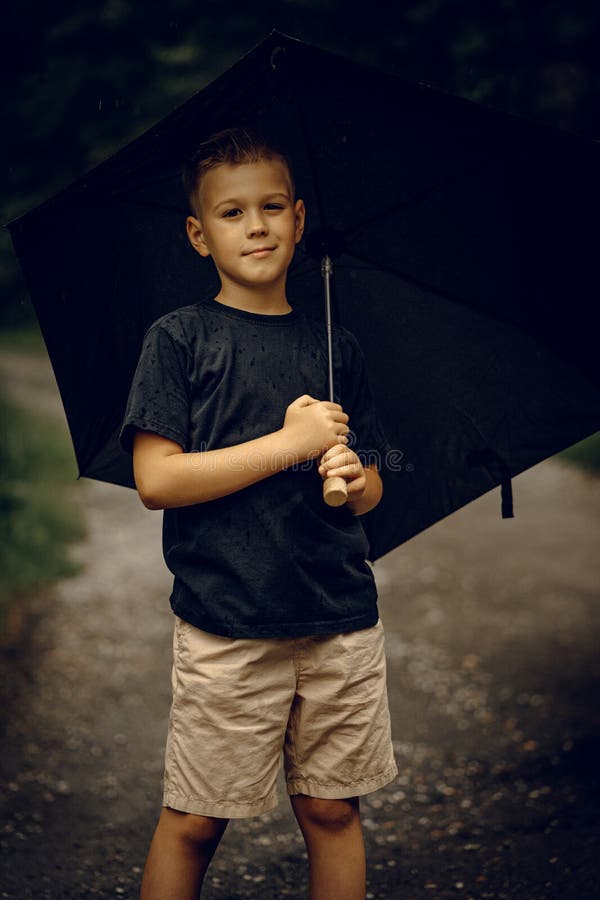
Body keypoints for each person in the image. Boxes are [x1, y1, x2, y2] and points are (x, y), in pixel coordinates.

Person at [119, 126, 397, 900]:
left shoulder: (335, 345)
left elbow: (374, 482)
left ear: (300, 220)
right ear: (198, 233)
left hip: (338, 617)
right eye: (233, 213)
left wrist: (353, 470)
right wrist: (290, 444)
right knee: (197, 819)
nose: (258, 226)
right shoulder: (180, 340)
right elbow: (157, 480)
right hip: (228, 622)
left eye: (272, 207)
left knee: (333, 808)